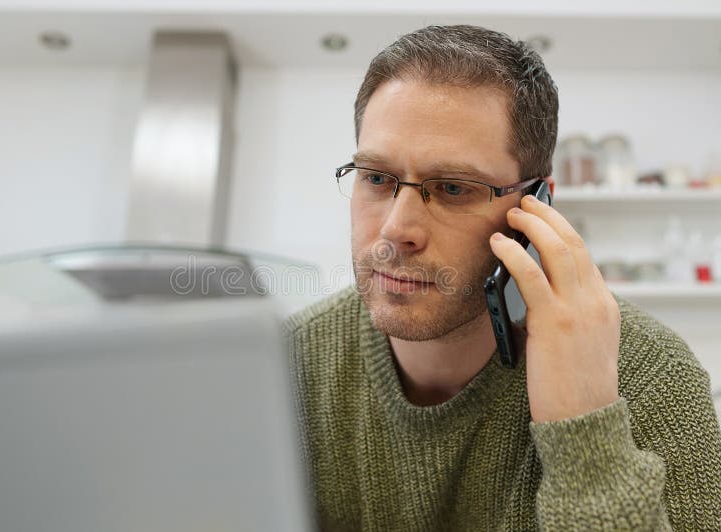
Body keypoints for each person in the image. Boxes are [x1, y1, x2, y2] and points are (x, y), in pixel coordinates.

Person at [283, 25, 721, 531]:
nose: (395, 229)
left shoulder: (649, 377)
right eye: (376, 178)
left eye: (452, 187)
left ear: (537, 204)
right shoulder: (286, 363)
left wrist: (585, 437)